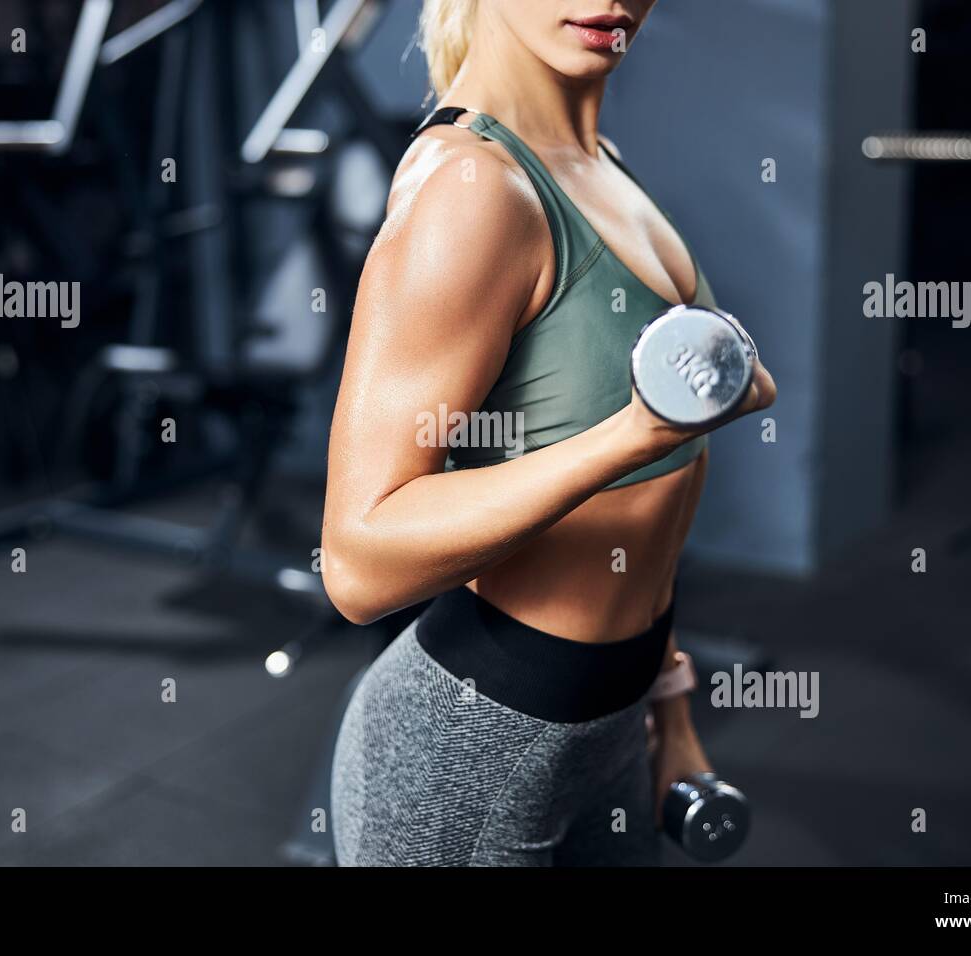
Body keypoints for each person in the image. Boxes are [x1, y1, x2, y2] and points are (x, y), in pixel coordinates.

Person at [322, 0, 776, 866]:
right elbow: (357, 559)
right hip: (466, 753)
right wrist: (630, 435)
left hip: (612, 726)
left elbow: (647, 528)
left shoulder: (601, 164)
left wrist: (670, 707)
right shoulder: (473, 190)